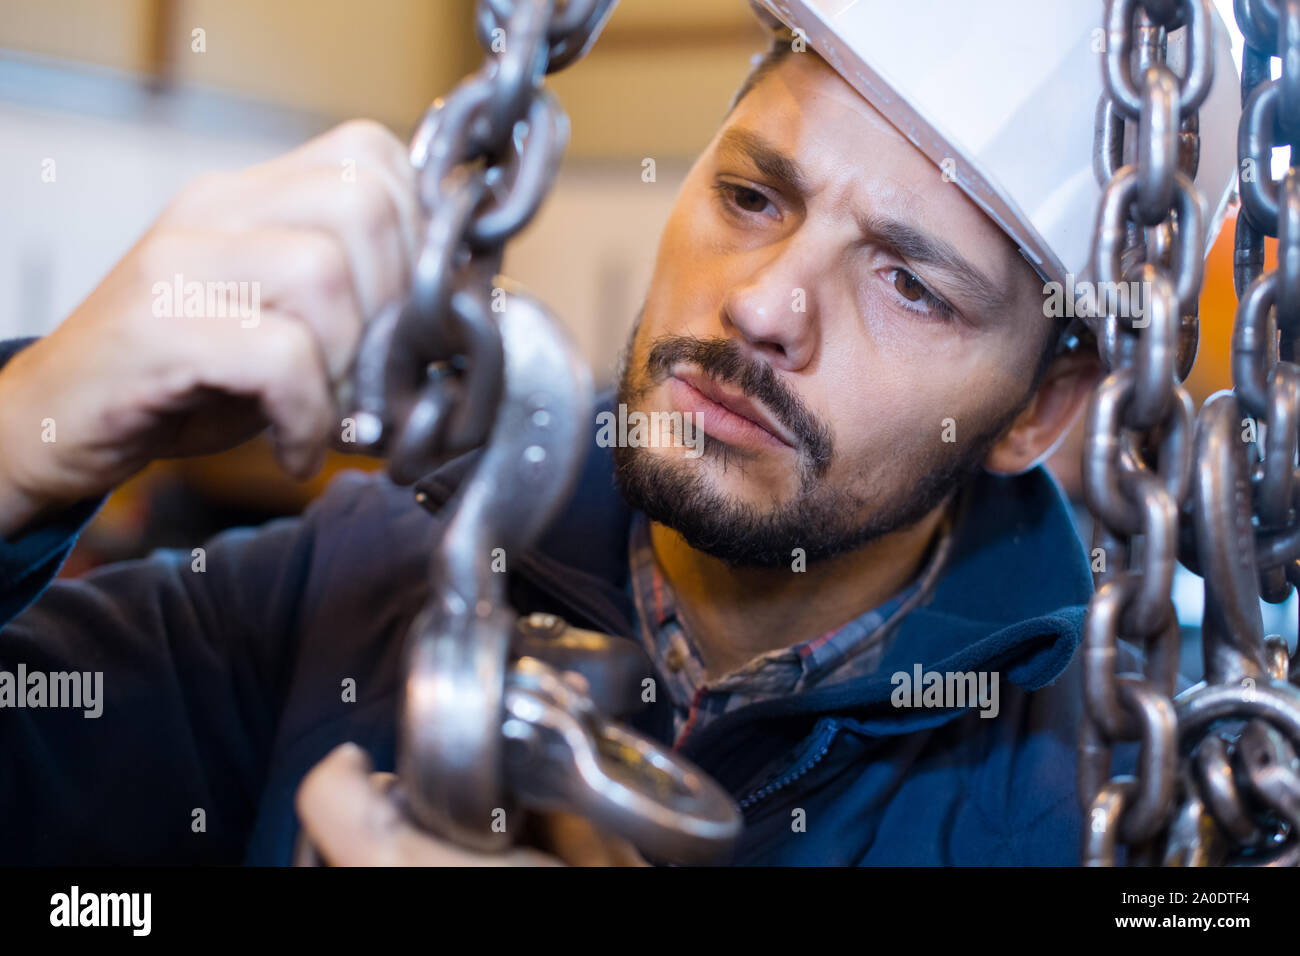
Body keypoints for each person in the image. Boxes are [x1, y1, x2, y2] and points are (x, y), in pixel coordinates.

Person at [0, 10, 1227, 865]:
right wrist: (20, 443)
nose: (763, 305)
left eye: (910, 284)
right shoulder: (350, 582)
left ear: (1037, 410)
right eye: (752, 198)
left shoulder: (1108, 805)